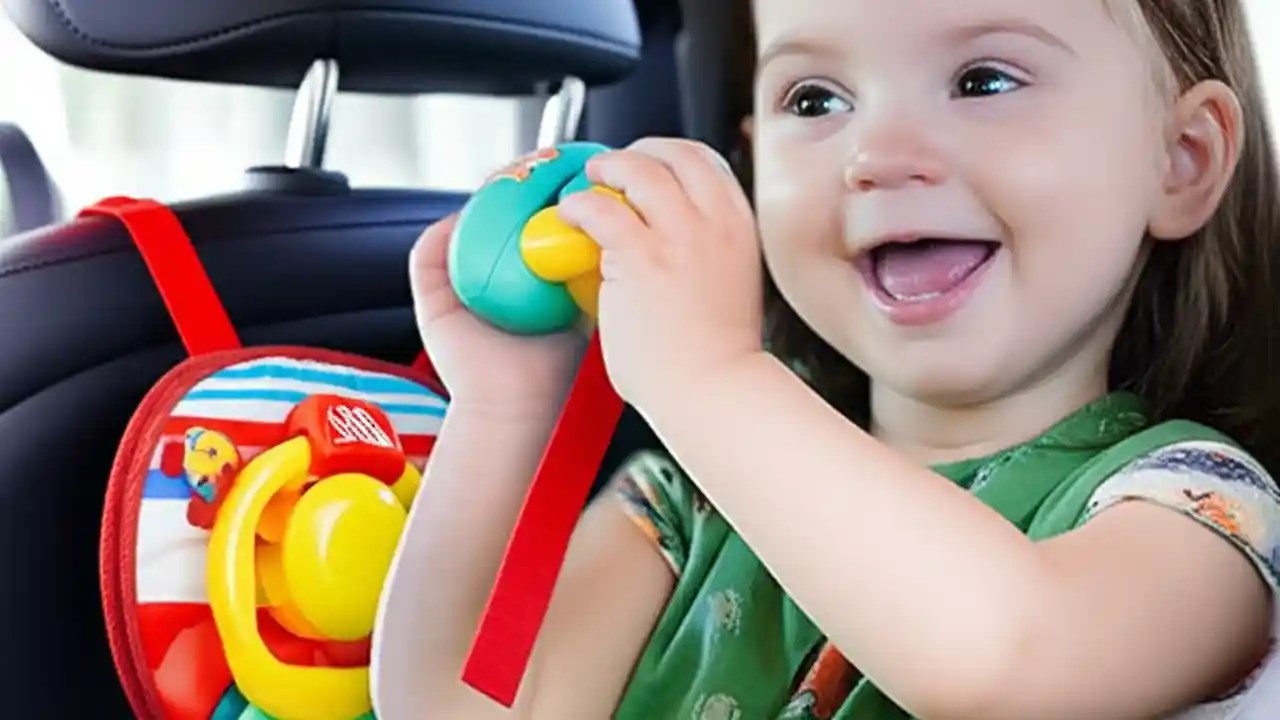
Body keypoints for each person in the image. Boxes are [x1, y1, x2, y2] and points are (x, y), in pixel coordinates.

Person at [373, 0, 1280, 717]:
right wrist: (504, 406)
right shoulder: (690, 500)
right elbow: (465, 707)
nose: (875, 156)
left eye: (983, 80)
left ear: (1183, 159)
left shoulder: (1201, 504)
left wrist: (712, 377)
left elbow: (1013, 664)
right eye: (815, 101)